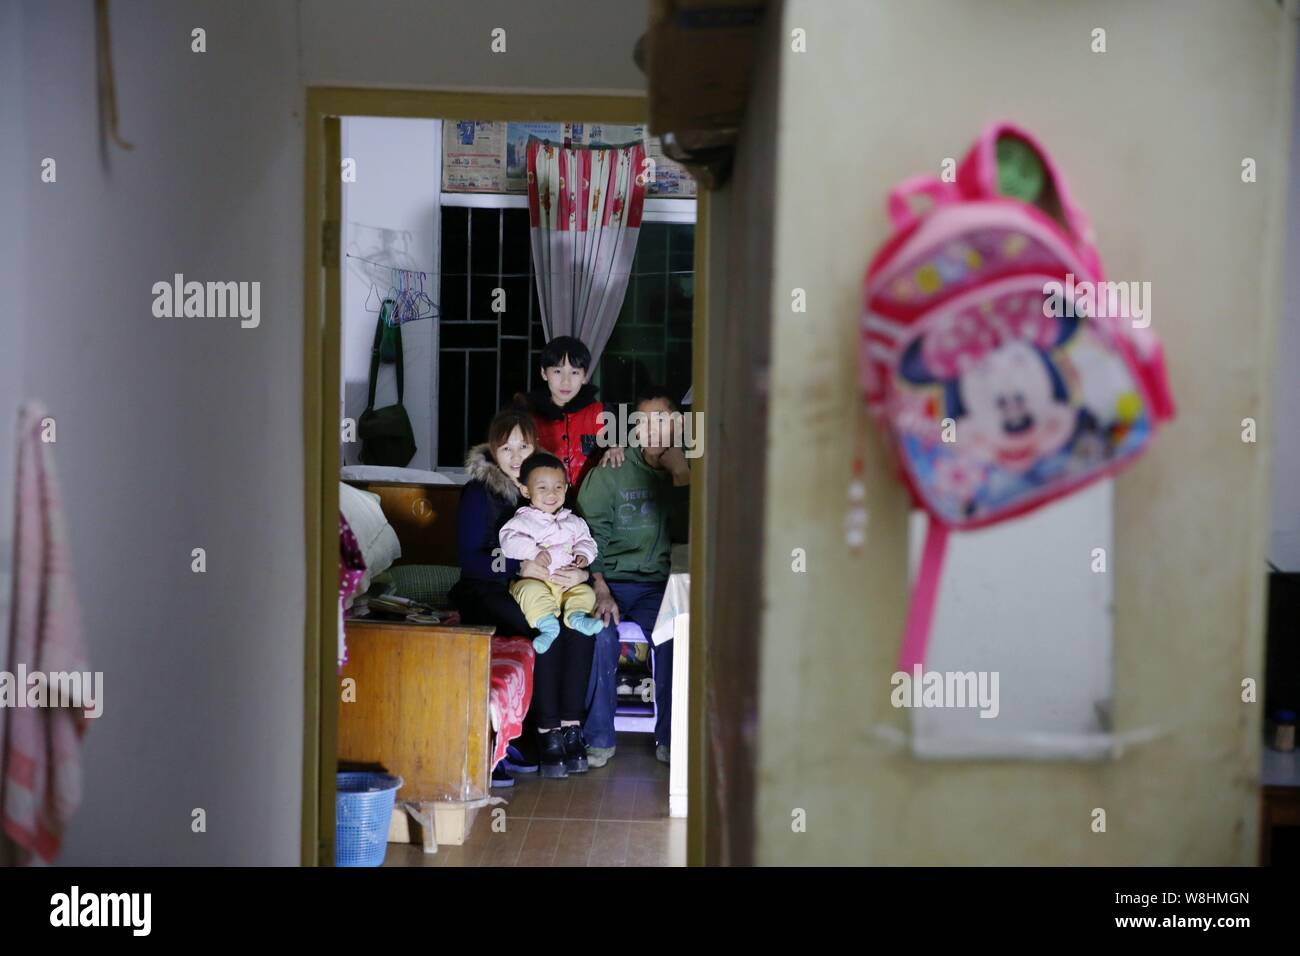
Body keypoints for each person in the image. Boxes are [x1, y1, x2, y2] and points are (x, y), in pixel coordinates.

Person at [449, 409, 596, 780]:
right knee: (539, 626)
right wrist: (517, 568)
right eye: (506, 448)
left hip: (543, 586)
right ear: (493, 451)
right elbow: (469, 559)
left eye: (523, 446)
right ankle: (542, 733)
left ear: (534, 448)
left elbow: (578, 539)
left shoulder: (546, 485)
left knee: (577, 624)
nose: (516, 457)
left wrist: (583, 572)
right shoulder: (479, 492)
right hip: (487, 589)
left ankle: (570, 726)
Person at [576, 386, 690, 767]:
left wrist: (680, 473)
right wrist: (599, 584)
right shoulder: (614, 468)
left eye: (661, 419)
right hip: (609, 580)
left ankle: (672, 738)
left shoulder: (691, 467)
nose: (652, 428)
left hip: (662, 585)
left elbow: (694, 535)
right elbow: (590, 532)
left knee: (675, 636)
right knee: (599, 634)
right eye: (642, 421)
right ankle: (599, 740)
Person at [498, 452, 606, 649]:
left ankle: (577, 617)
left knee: (586, 593)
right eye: (542, 488)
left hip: (568, 585)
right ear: (525, 490)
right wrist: (533, 552)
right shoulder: (523, 520)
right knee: (529, 593)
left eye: (558, 487)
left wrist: (583, 554)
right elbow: (508, 541)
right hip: (537, 581)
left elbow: (587, 540)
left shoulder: (574, 521)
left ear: (565, 488)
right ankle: (548, 627)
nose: (551, 494)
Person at [521, 335, 623, 493]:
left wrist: (618, 448)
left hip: (593, 504)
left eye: (574, 372)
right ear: (543, 373)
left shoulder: (603, 413)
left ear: (585, 376)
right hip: (544, 505)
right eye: (557, 371)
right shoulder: (528, 418)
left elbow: (621, 454)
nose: (566, 381)